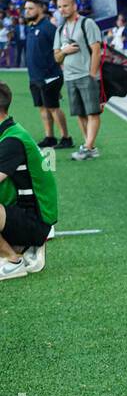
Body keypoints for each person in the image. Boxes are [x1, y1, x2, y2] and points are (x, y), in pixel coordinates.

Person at [0, 81, 57, 281]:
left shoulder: (11, 141)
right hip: (22, 213)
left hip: (34, 222)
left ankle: (13, 260)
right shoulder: (8, 132)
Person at [53, 0, 104, 163]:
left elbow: (96, 50)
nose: (62, 10)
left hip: (86, 75)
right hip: (69, 76)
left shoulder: (86, 23)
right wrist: (64, 51)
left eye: (65, 6)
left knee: (92, 112)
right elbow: (57, 57)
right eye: (59, 7)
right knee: (80, 114)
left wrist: (92, 74)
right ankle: (89, 146)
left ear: (74, 6)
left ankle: (88, 147)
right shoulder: (60, 30)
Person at [23, 0, 70, 149]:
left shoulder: (49, 28)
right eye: (26, 8)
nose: (27, 11)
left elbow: (61, 49)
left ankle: (66, 138)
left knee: (53, 107)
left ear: (40, 9)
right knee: (42, 108)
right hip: (35, 76)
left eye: (30, 8)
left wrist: (59, 68)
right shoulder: (31, 27)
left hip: (50, 75)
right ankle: (50, 137)